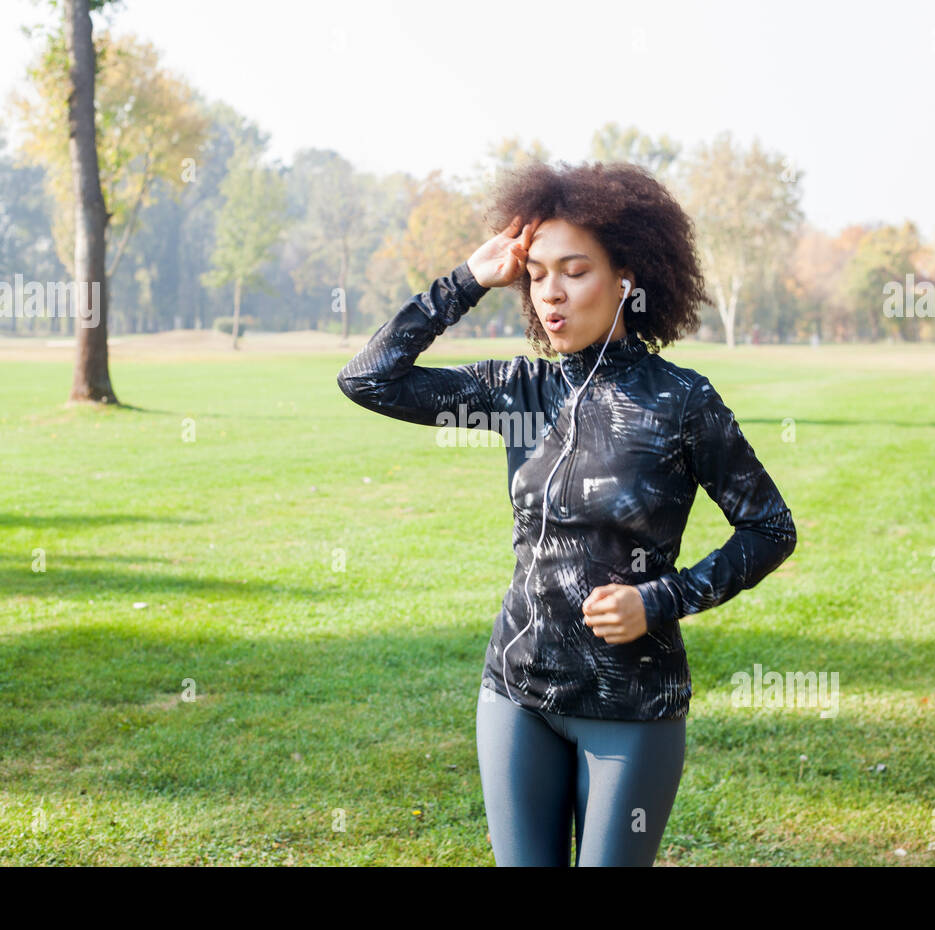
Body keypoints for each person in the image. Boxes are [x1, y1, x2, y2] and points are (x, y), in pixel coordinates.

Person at [337, 161, 797, 866]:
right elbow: (367, 378)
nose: (550, 293)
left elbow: (770, 528)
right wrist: (465, 280)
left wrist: (661, 598)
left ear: (627, 280)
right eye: (538, 274)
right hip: (515, 694)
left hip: (631, 707)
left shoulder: (681, 403)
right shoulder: (516, 390)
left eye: (574, 270)